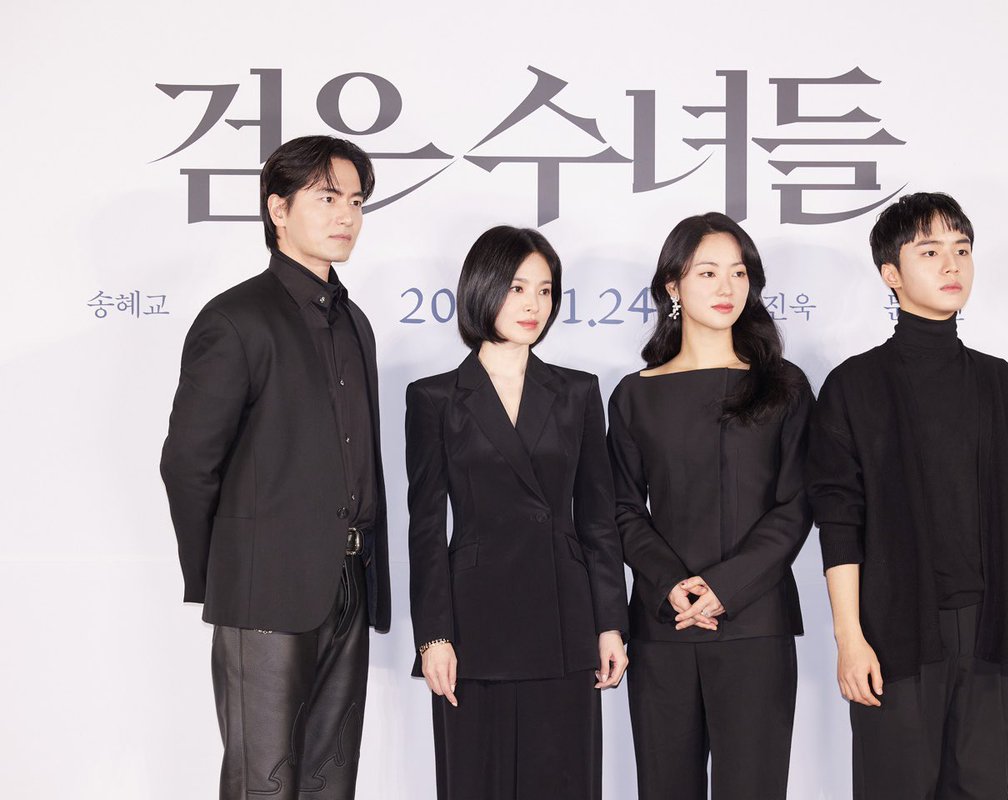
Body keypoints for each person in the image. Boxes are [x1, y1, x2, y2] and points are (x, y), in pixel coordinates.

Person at [160, 135, 389, 799]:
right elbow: (188, 464)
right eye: (327, 198)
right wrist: (226, 572)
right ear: (278, 210)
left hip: (347, 580)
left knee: (329, 779)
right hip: (263, 587)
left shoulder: (355, 324)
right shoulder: (236, 320)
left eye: (356, 201)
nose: (346, 215)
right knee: (262, 781)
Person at [808, 192, 1008, 799]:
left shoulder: (1004, 385)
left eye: (962, 250)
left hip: (992, 635)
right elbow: (839, 522)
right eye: (930, 252)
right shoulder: (854, 385)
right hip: (894, 635)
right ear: (890, 274)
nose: (952, 265)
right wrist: (849, 638)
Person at [405, 225, 628, 800]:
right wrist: (433, 637)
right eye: (517, 288)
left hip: (564, 623)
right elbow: (425, 528)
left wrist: (610, 624)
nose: (533, 305)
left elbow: (598, 519)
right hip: (473, 631)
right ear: (482, 289)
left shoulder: (578, 392)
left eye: (545, 290)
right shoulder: (433, 398)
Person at [607, 212, 813, 800]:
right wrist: (672, 583)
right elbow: (622, 508)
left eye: (739, 272)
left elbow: (797, 503)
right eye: (708, 272)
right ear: (673, 285)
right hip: (664, 625)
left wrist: (725, 586)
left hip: (756, 625)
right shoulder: (635, 394)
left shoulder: (784, 385)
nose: (727, 287)